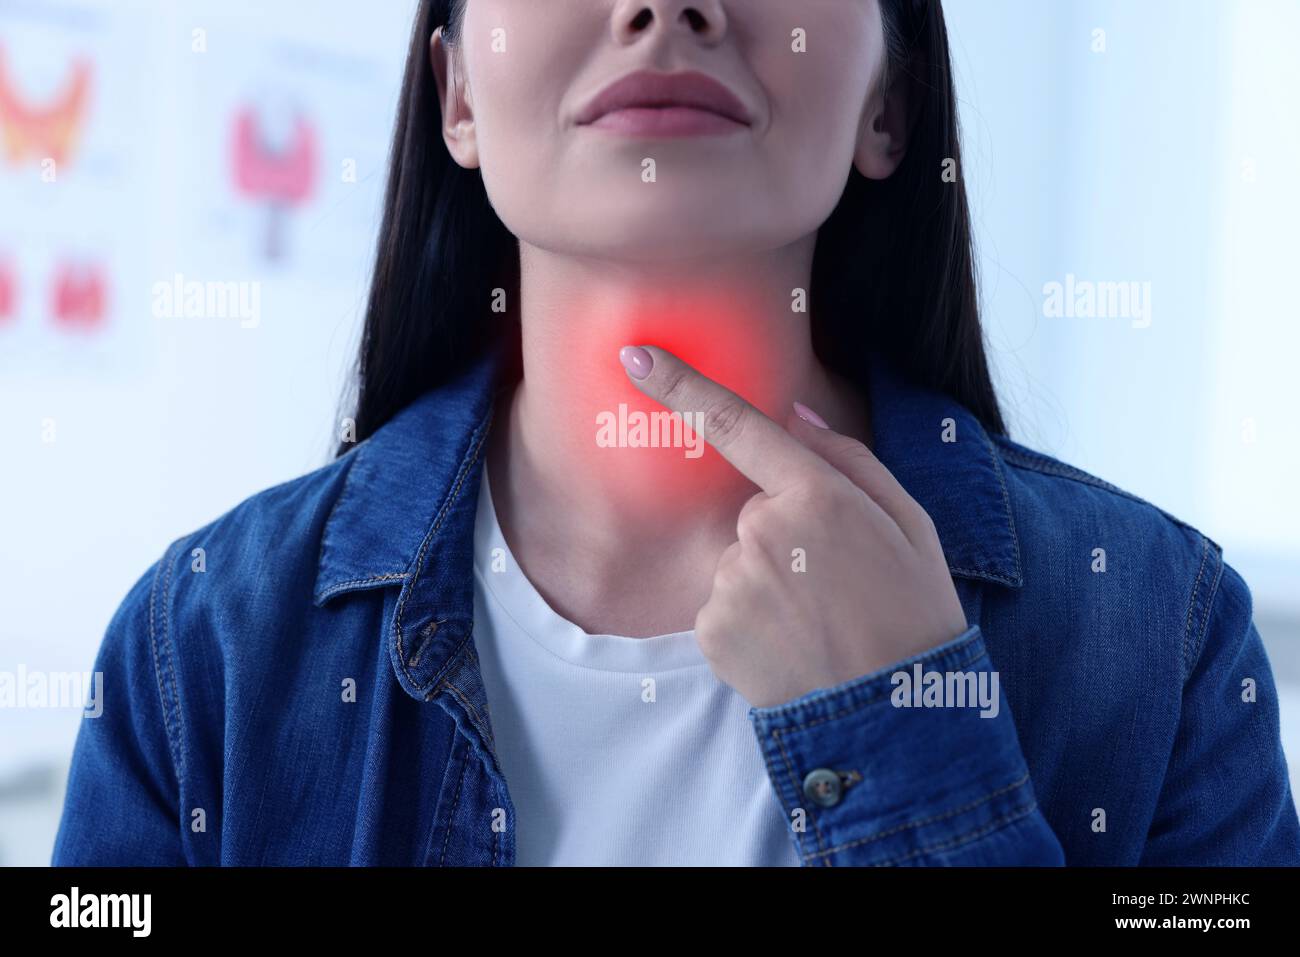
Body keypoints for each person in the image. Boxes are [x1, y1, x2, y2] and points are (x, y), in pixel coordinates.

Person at [52, 0, 1299, 866]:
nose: (666, 9)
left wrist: (903, 730)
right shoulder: (201, 649)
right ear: (458, 97)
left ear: (889, 106)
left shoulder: (1160, 637)